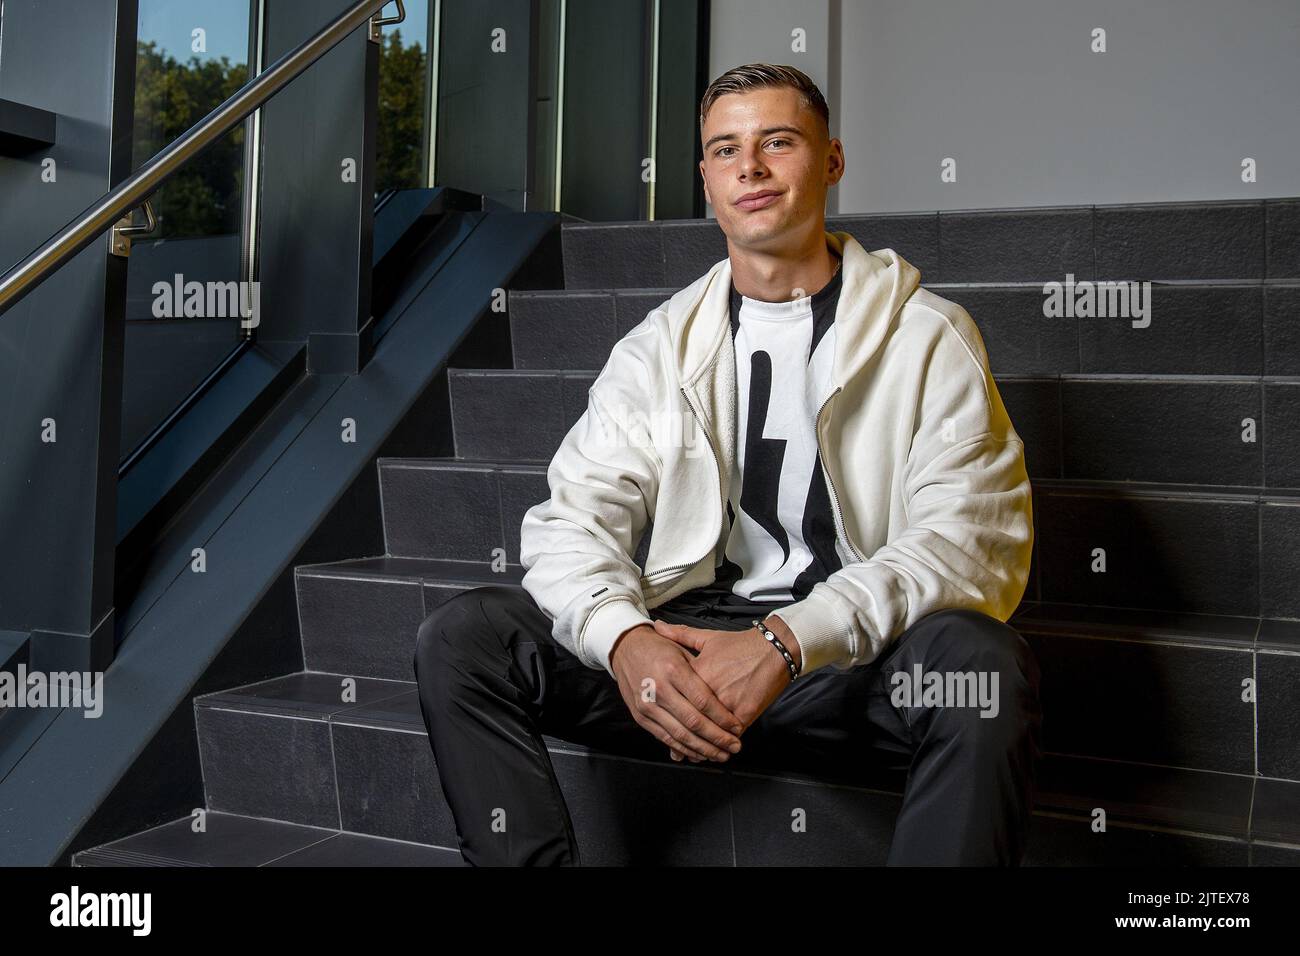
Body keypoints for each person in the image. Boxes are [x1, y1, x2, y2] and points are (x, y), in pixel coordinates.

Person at [414, 63, 1041, 866]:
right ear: (706, 178)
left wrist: (786, 641)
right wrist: (627, 641)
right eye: (725, 150)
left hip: (846, 663)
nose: (749, 167)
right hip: (687, 658)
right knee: (466, 638)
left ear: (832, 160)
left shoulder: (927, 336)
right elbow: (571, 523)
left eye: (777, 142)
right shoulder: (659, 348)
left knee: (982, 670)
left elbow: (968, 545)